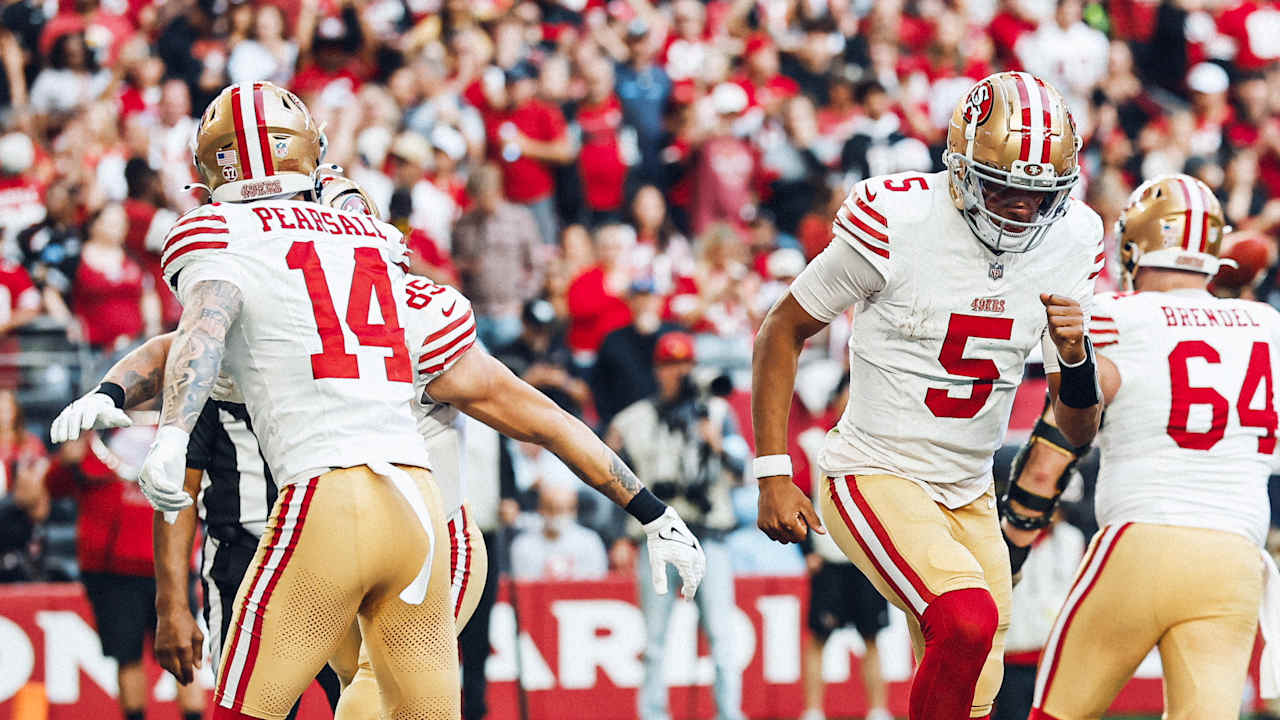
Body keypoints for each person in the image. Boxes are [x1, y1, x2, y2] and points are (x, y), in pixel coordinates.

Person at [752, 72, 1105, 720]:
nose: (1022, 210)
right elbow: (783, 327)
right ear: (963, 167)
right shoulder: (901, 218)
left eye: (1038, 195)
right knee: (967, 619)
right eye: (1005, 189)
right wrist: (773, 469)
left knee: (978, 681)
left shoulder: (1073, 239)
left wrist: (1077, 357)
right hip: (875, 469)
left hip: (968, 485)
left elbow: (1076, 425)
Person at [1023, 175, 1277, 719]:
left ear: (1133, 244)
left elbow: (1076, 428)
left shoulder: (1117, 313)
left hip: (1146, 534)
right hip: (1236, 552)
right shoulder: (1267, 325)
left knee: (1057, 713)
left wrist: (1072, 361)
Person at [608, 331, 746, 720]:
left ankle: (729, 713)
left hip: (709, 536)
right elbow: (611, 482)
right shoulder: (632, 420)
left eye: (684, 363)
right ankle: (652, 714)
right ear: (657, 369)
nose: (678, 372)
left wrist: (716, 442)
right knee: (653, 642)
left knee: (721, 636)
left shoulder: (718, 414)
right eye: (670, 364)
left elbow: (743, 471)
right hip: (657, 539)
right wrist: (619, 536)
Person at [452, 163, 545, 351]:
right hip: (475, 311)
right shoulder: (464, 224)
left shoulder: (519, 218)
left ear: (498, 190)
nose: (482, 202)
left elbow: (536, 264)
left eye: (486, 195)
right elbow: (454, 263)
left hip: (509, 311)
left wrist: (522, 300)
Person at [510, 482, 608, 581]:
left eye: (563, 509)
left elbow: (597, 584)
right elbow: (524, 587)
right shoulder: (523, 545)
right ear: (540, 509)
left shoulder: (590, 542)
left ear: (574, 510)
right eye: (550, 508)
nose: (557, 515)